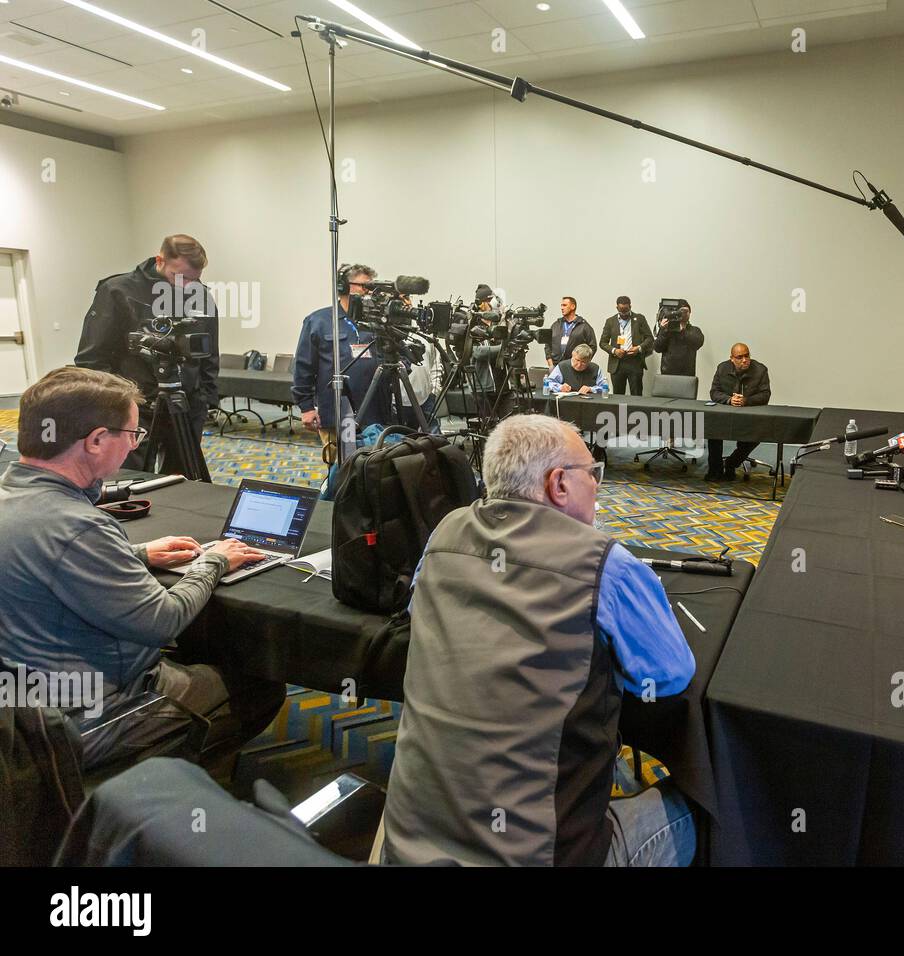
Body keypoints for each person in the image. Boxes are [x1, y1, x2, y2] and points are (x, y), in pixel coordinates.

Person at [383, 414, 697, 867]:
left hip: (408, 847)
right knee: (708, 805)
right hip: (543, 857)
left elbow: (420, 615)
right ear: (559, 485)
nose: (597, 484)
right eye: (593, 473)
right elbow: (670, 676)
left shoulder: (445, 533)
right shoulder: (606, 564)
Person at [0, 368, 285, 770]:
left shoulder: (13, 497)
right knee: (260, 683)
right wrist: (214, 561)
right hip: (90, 715)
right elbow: (162, 621)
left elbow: (42, 562)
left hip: (24, 701)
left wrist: (138, 555)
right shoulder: (80, 527)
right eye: (133, 434)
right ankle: (148, 791)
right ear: (97, 440)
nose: (135, 445)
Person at [75, 234, 219, 474]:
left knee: (183, 482)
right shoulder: (117, 290)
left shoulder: (201, 294)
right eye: (178, 276)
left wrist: (207, 401)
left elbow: (209, 353)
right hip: (133, 408)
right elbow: (92, 358)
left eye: (193, 279)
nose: (185, 286)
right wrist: (115, 405)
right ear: (159, 260)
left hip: (186, 405)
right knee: (131, 481)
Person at [292, 264, 381, 465]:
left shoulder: (377, 322)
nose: (369, 292)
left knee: (374, 468)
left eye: (372, 287)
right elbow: (303, 367)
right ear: (343, 287)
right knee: (341, 469)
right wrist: (306, 407)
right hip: (338, 411)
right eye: (364, 286)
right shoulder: (319, 321)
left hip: (374, 413)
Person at [706, 343, 771, 481]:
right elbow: (714, 392)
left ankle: (731, 463)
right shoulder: (722, 368)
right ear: (732, 359)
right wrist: (729, 400)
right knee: (713, 429)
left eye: (747, 355)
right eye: (740, 357)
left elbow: (765, 395)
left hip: (750, 414)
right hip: (726, 413)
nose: (744, 360)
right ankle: (715, 471)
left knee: (758, 434)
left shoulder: (760, 370)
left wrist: (746, 400)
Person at [598, 296, 654, 395]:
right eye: (621, 310)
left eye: (626, 310)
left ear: (630, 306)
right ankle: (619, 411)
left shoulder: (639, 318)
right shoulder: (610, 321)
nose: (624, 313)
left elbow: (649, 338)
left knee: (636, 394)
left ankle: (637, 410)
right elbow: (603, 342)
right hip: (617, 363)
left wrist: (639, 348)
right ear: (617, 308)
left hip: (635, 361)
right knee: (618, 395)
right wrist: (614, 350)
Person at [653, 300, 705, 378]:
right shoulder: (667, 330)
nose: (684, 314)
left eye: (686, 311)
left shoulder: (694, 330)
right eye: (681, 311)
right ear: (676, 312)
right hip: (667, 372)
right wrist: (663, 330)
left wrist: (683, 331)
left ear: (690, 313)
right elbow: (657, 348)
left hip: (687, 373)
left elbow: (698, 343)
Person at [544, 296, 596, 368]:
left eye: (564, 305)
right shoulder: (555, 325)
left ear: (573, 306)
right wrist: (550, 364)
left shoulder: (584, 326)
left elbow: (592, 347)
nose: (562, 308)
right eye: (561, 305)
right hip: (556, 366)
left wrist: (581, 363)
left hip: (574, 368)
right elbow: (547, 345)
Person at [542, 343, 610, 396]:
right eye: (577, 360)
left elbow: (605, 388)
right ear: (573, 355)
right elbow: (549, 383)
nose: (579, 364)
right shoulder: (562, 366)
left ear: (589, 361)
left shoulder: (595, 368)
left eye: (583, 362)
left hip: (590, 403)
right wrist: (560, 387)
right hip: (567, 402)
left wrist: (591, 389)